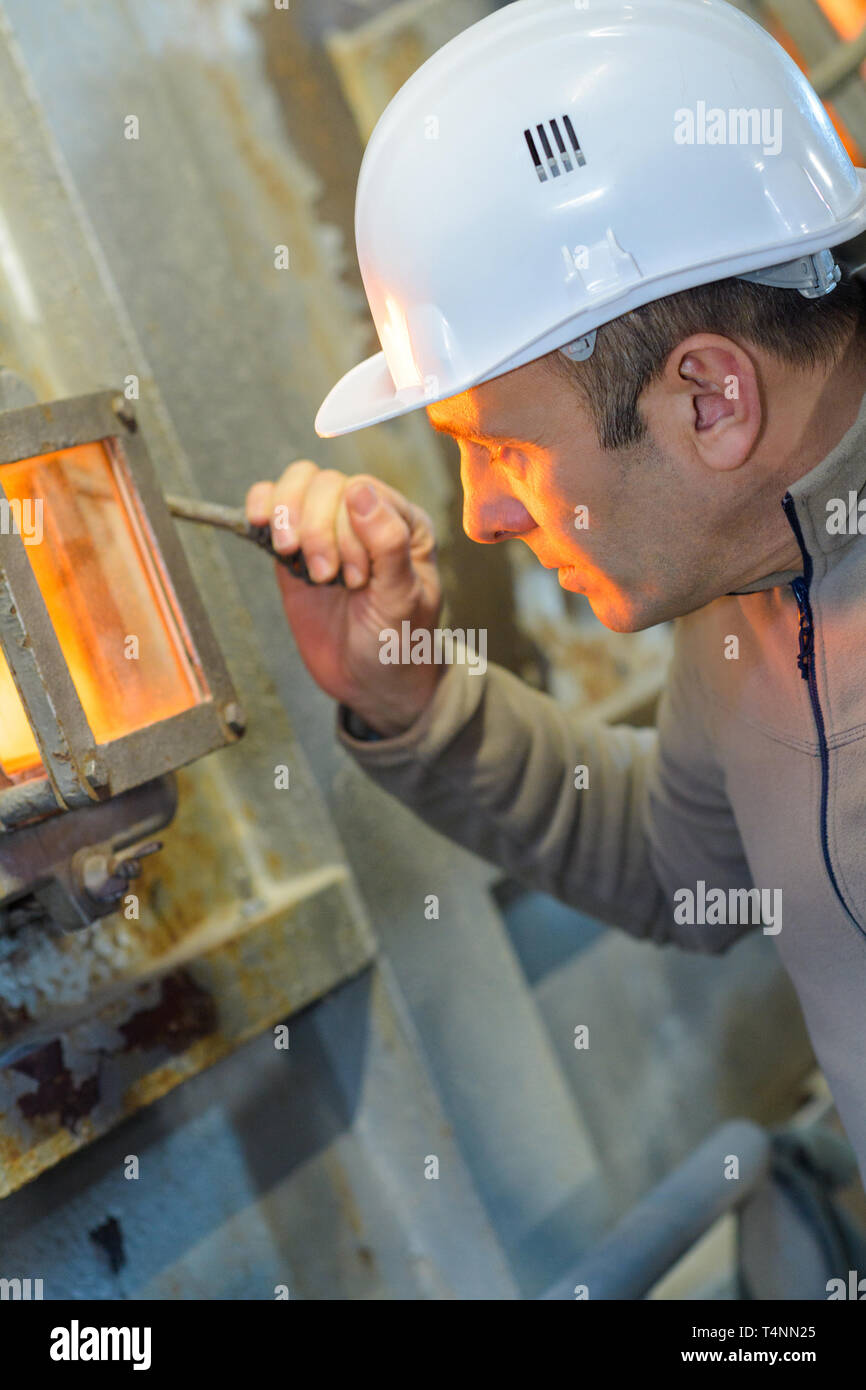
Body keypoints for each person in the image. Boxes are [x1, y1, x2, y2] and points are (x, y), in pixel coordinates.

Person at [246, 0, 866, 1183]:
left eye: (505, 449)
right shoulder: (748, 583)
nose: (478, 509)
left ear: (708, 401)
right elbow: (692, 868)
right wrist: (416, 699)